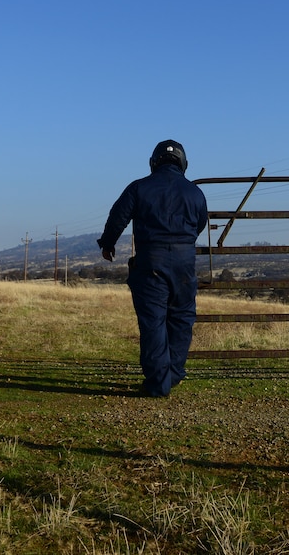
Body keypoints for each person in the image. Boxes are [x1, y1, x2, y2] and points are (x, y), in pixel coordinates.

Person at [97, 140, 209, 397]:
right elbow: (200, 224)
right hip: (185, 264)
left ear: (154, 161)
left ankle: (158, 383)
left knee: (153, 322)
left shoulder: (138, 188)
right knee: (182, 319)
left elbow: (118, 217)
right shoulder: (195, 193)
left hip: (151, 263)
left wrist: (107, 244)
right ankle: (174, 374)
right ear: (183, 163)